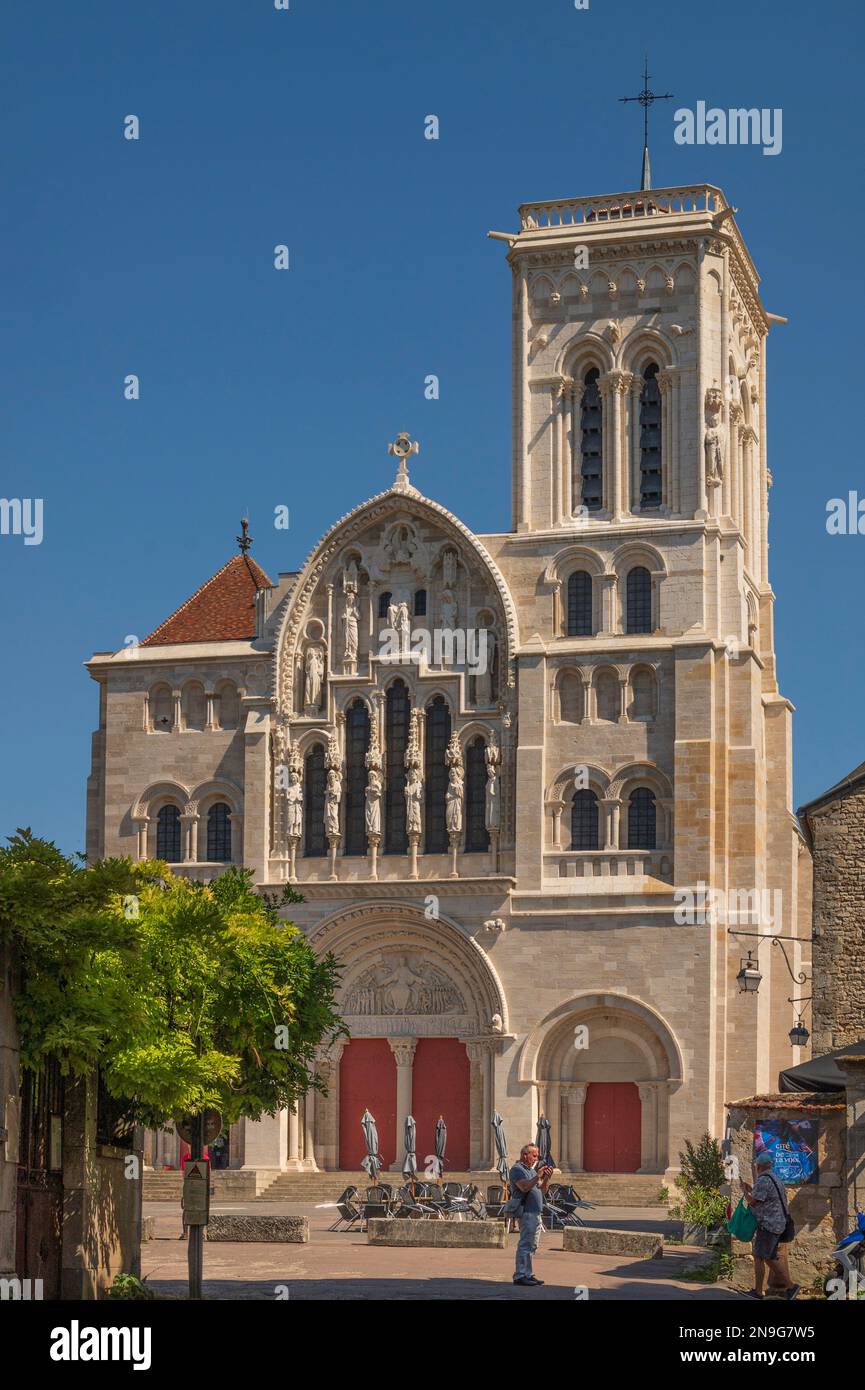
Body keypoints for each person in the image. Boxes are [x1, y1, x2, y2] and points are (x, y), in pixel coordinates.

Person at [740, 1152, 799, 1300]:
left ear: (758, 1166)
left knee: (759, 1256)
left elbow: (753, 1202)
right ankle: (791, 1287)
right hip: (778, 1223)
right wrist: (750, 1189)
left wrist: (744, 1191)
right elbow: (764, 1196)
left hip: (769, 1224)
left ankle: (759, 1292)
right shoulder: (774, 1178)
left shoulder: (763, 1180)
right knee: (768, 1257)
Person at [508, 1143, 554, 1287]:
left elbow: (542, 1191)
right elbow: (525, 1187)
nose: (536, 1158)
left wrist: (546, 1178)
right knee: (525, 1244)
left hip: (535, 1212)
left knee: (532, 1245)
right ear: (524, 1155)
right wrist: (538, 1175)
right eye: (534, 1155)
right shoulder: (517, 1169)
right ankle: (520, 1275)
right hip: (526, 1211)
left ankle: (527, 1273)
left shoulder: (532, 1171)